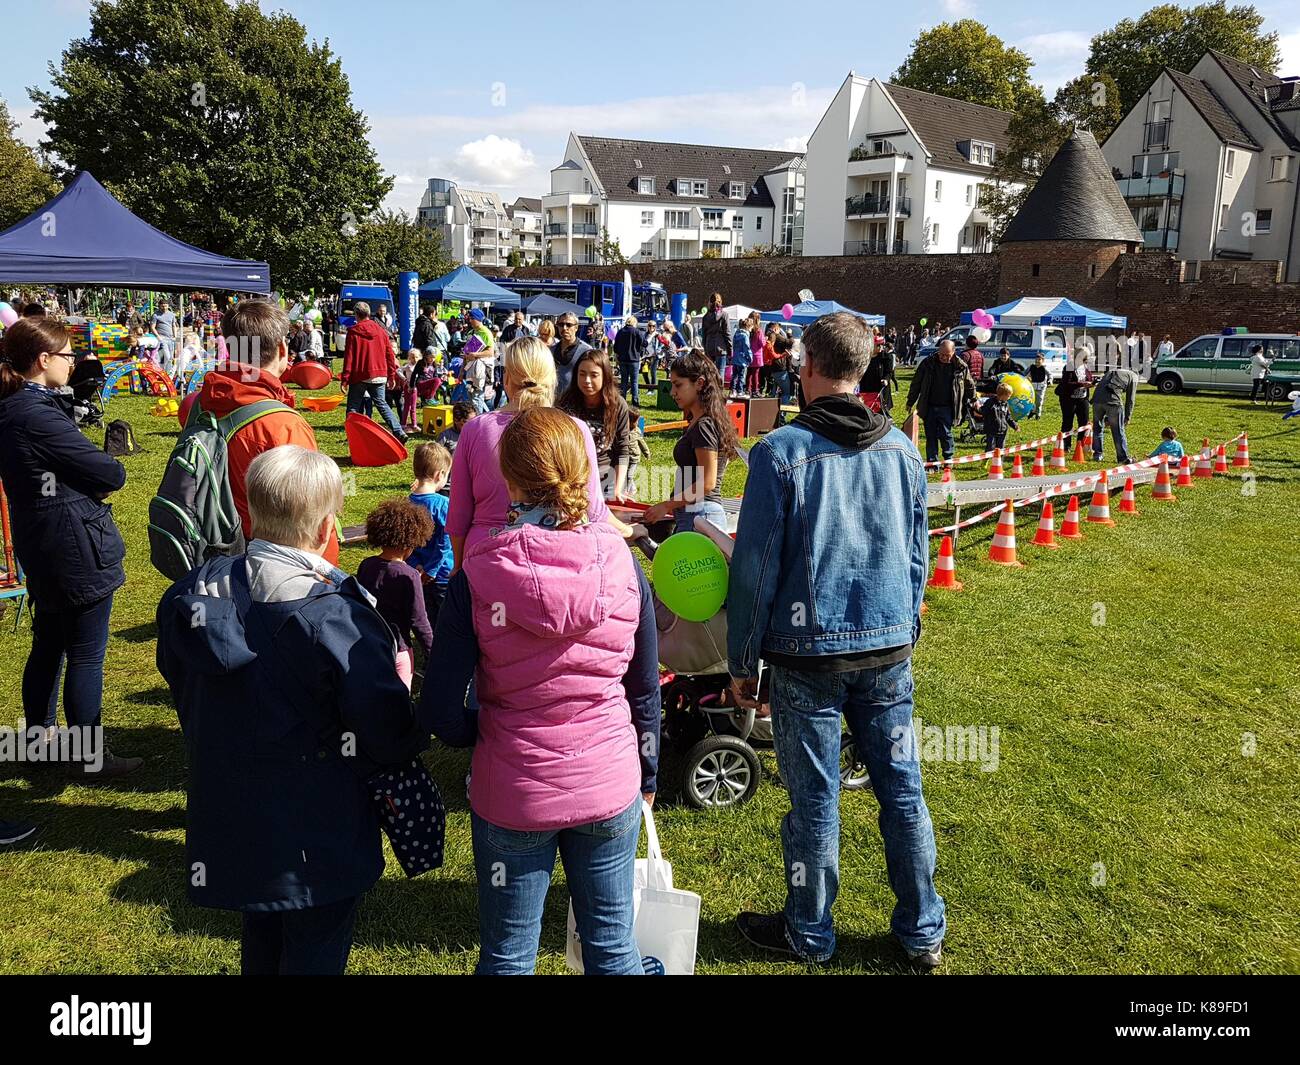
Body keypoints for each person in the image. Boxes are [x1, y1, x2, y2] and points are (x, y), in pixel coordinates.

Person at [726, 311, 943, 968]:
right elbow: (917, 556)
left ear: (809, 368)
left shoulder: (781, 453)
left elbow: (756, 567)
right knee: (901, 787)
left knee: (817, 798)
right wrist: (907, 629)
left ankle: (810, 930)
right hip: (882, 649)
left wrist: (741, 661)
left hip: (810, 655)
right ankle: (922, 929)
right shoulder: (902, 450)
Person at [156, 446, 424, 975]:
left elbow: (184, 688)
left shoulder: (191, 596)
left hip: (232, 813)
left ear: (249, 510)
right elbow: (387, 734)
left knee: (262, 933)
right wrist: (401, 687)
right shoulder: (340, 613)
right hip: (321, 830)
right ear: (329, 524)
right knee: (316, 948)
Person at [419, 407, 660, 975]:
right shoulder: (625, 564)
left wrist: (481, 734)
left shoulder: (476, 575)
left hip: (514, 786)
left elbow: (438, 704)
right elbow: (644, 689)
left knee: (508, 955)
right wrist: (648, 776)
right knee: (612, 947)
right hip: (608, 779)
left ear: (508, 479)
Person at [0, 318, 141, 778]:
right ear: (44, 360)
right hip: (71, 544)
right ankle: (88, 756)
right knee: (83, 652)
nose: (73, 363)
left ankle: (40, 740)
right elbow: (109, 472)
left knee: (49, 644)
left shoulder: (19, 407)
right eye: (66, 356)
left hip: (43, 538)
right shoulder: (34, 414)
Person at [447, 337, 625, 571]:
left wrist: (459, 567)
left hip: (486, 558)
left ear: (507, 379)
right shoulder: (576, 429)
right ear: (552, 379)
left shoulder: (475, 429)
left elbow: (458, 516)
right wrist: (632, 530)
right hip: (558, 558)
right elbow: (594, 509)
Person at [196, 298, 341, 564]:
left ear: (230, 348)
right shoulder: (282, 425)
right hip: (276, 563)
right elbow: (309, 514)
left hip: (218, 549)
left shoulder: (205, 402)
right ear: (282, 348)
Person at [642, 350, 738, 535]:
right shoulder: (699, 422)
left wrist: (667, 505)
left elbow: (707, 482)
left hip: (702, 515)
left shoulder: (704, 425)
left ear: (699, 383)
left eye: (678, 385)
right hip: (695, 514)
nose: (672, 392)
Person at [357, 499, 435, 689]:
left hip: (369, 644)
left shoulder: (366, 566)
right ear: (412, 542)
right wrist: (435, 652)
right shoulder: (409, 576)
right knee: (399, 706)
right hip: (398, 650)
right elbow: (419, 621)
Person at [558, 346, 636, 501]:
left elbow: (622, 450)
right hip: (574, 479)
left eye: (594, 375)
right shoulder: (566, 403)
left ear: (605, 376)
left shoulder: (618, 404)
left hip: (607, 478)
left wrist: (618, 489)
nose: (587, 380)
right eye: (582, 374)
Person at [341, 301, 406, 442]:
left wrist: (345, 379)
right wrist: (391, 375)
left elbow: (349, 357)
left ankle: (353, 435)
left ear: (356, 314)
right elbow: (390, 354)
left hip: (360, 375)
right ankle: (398, 430)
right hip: (379, 374)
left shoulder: (353, 332)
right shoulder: (381, 331)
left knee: (353, 407)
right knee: (382, 404)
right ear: (369, 313)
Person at [905, 339, 976, 464]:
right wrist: (910, 401)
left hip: (949, 406)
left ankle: (948, 458)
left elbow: (969, 384)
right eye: (941, 354)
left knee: (945, 433)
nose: (943, 357)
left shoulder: (960, 366)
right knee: (930, 435)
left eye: (947, 355)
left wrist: (974, 399)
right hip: (929, 405)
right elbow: (916, 383)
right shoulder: (928, 363)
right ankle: (932, 461)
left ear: (953, 352)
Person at [408, 443, 455, 623]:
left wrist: (416, 565)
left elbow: (407, 541)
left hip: (419, 573)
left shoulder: (408, 502)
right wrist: (432, 569)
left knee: (428, 615)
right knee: (447, 616)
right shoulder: (443, 504)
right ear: (439, 475)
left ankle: (431, 647)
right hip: (442, 573)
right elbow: (446, 541)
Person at [1091, 365, 1139, 464]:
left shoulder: (1113, 371)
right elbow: (1130, 399)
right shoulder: (1133, 377)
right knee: (1118, 430)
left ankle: (1097, 455)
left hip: (1096, 400)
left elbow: (1107, 387)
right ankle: (1122, 458)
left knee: (1097, 428)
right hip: (1113, 402)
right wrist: (1127, 417)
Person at [552, 311, 592, 396]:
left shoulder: (586, 351)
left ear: (576, 328)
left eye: (569, 325)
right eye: (561, 325)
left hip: (576, 400)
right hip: (553, 400)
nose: (565, 328)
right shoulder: (551, 350)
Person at [1056, 348, 1093, 437]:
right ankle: (1066, 445)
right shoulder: (1069, 366)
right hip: (1069, 399)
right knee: (1067, 422)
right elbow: (1067, 383)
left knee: (1083, 422)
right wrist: (1082, 384)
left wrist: (1091, 383)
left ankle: (1080, 444)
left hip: (1083, 399)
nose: (1086, 358)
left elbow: (1090, 378)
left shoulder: (1086, 367)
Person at [612, 315, 646, 407]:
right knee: (634, 381)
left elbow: (615, 347)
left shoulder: (620, 331)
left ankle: (622, 401)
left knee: (624, 381)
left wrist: (618, 355)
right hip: (634, 359)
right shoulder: (637, 331)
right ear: (634, 323)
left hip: (623, 359)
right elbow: (645, 343)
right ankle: (635, 401)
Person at [982, 381, 1018, 452]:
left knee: (1001, 449)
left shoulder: (1005, 404)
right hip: (991, 430)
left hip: (1003, 430)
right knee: (990, 448)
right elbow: (983, 411)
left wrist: (1014, 425)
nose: (1009, 397)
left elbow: (1008, 417)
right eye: (1008, 396)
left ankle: (999, 462)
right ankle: (985, 461)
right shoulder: (990, 402)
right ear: (1003, 395)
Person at [701, 292, 731, 374]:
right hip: (721, 348)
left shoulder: (705, 317)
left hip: (709, 346)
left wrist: (705, 348)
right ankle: (719, 387)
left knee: (709, 373)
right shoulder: (725, 315)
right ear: (720, 301)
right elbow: (727, 333)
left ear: (710, 302)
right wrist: (730, 350)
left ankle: (709, 387)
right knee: (720, 372)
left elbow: (704, 334)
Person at [151, 301, 177, 370]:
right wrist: (158, 336)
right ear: (159, 306)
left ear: (168, 306)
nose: (164, 308)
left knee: (171, 357)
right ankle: (164, 372)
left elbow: (173, 325)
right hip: (162, 338)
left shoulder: (171, 314)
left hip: (171, 338)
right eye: (162, 306)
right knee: (167, 356)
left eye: (165, 306)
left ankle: (168, 373)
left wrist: (175, 336)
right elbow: (152, 327)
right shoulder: (155, 315)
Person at [730, 316, 752, 398]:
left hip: (735, 358)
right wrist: (750, 358)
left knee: (734, 375)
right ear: (748, 327)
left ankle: (733, 390)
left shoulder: (736, 334)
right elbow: (747, 348)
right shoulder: (745, 336)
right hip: (742, 360)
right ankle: (740, 391)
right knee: (742, 376)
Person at [1027, 353, 1050, 419]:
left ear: (1042, 361)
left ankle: (1038, 415)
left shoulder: (1044, 368)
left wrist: (1050, 380)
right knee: (1032, 400)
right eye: (1036, 359)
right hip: (1033, 386)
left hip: (1041, 387)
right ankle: (1033, 411)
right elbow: (1024, 373)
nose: (1037, 361)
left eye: (1039, 359)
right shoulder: (1031, 367)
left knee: (1039, 401)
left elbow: (1050, 374)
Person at [748, 314, 765, 396]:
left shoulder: (748, 330)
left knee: (749, 373)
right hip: (757, 355)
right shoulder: (759, 331)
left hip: (748, 354)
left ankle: (748, 389)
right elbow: (762, 343)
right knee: (755, 374)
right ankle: (755, 390)